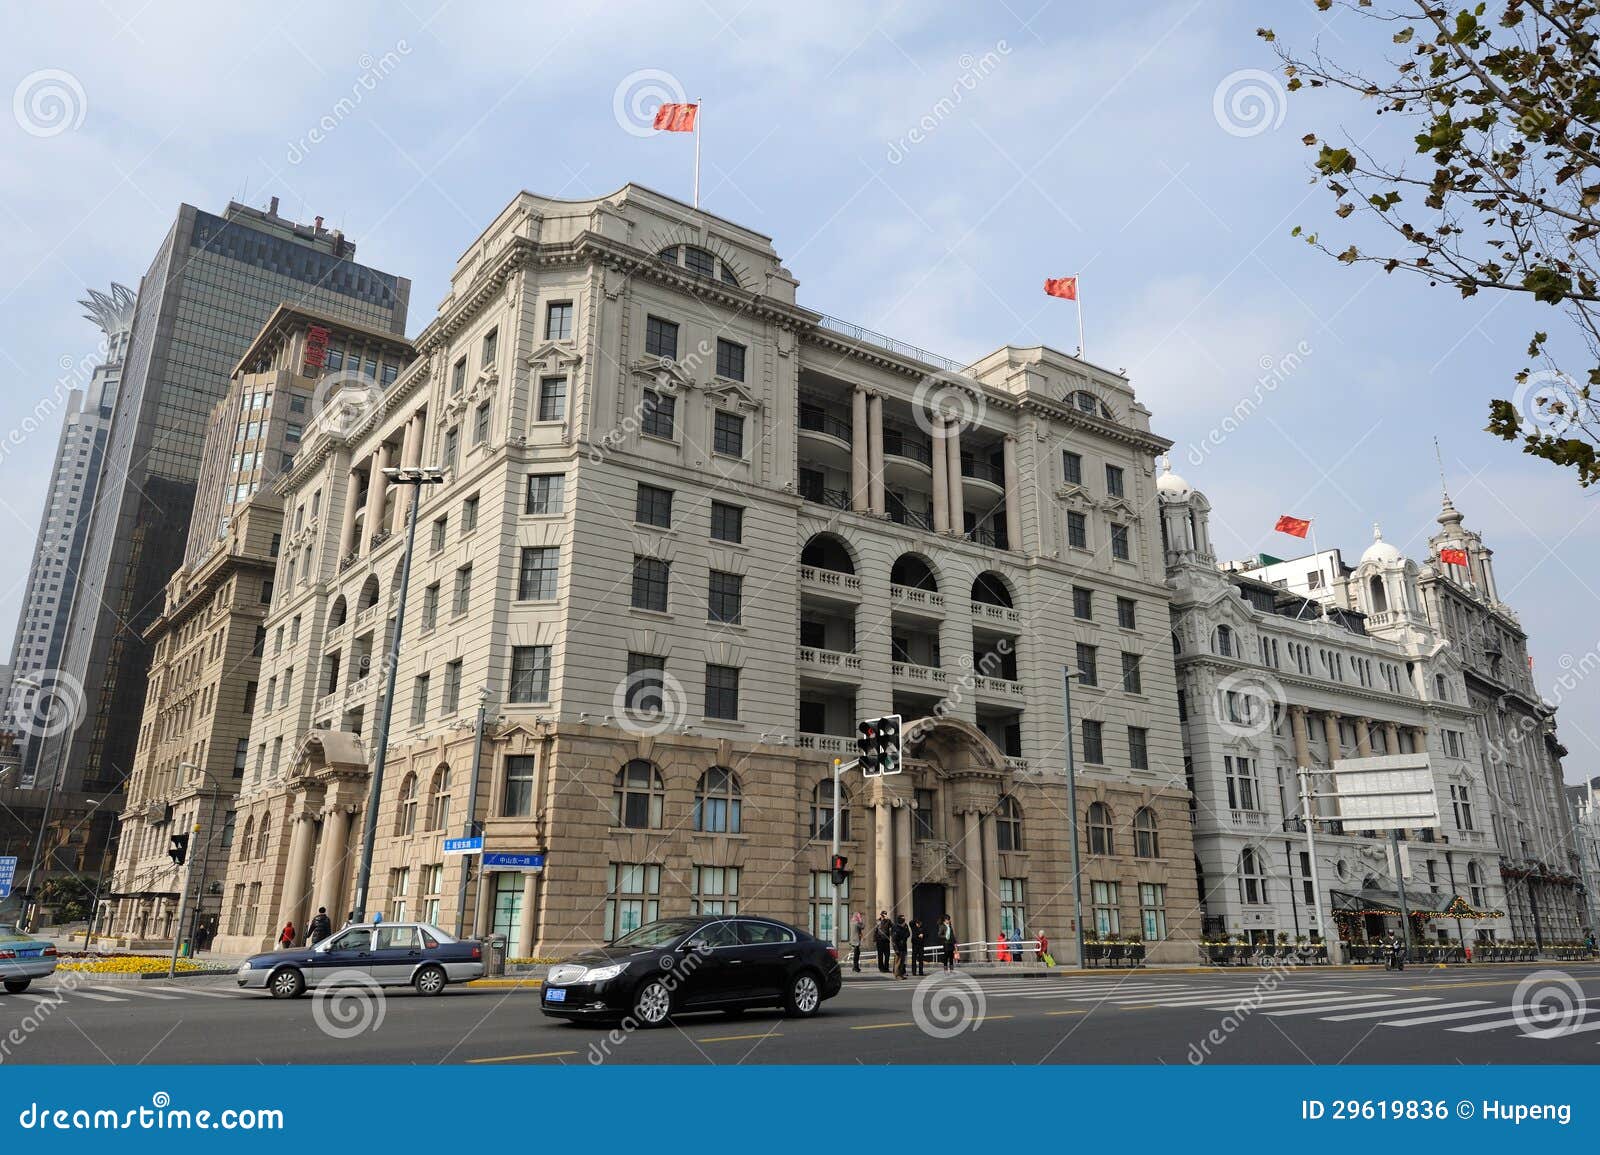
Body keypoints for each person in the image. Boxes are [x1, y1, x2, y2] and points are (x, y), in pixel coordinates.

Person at [891, 914, 910, 979]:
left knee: (903, 962)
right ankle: (897, 975)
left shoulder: (905, 926)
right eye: (902, 919)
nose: (904, 921)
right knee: (897, 962)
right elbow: (893, 940)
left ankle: (901, 974)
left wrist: (904, 937)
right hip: (898, 946)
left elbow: (908, 933)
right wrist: (896, 949)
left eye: (904, 919)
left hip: (904, 946)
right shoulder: (895, 927)